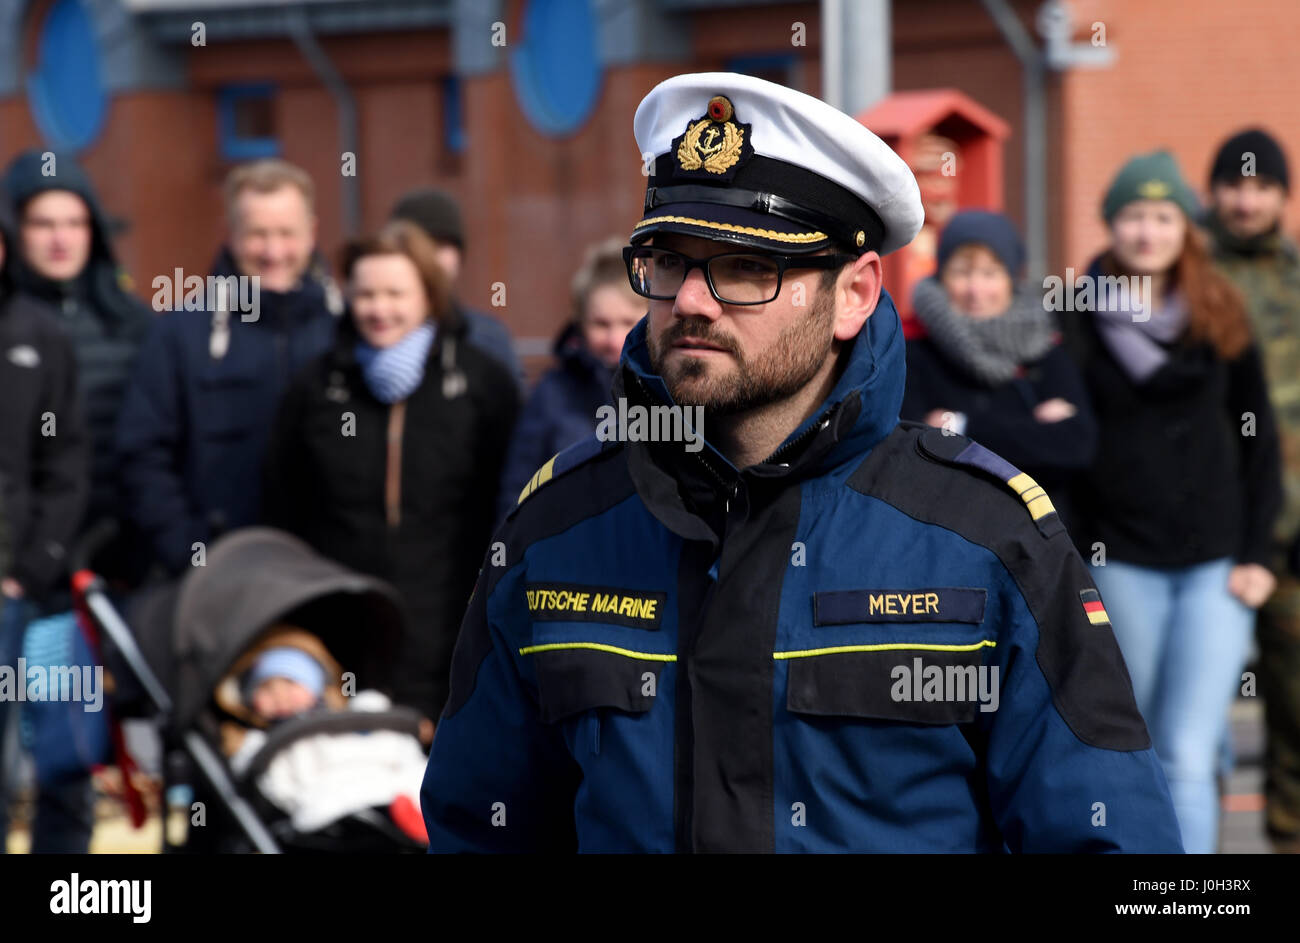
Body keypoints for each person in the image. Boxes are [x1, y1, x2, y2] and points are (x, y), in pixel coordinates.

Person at [420, 72, 1182, 853]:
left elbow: (1111, 836)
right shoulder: (558, 529)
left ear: (853, 295)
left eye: (746, 267)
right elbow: (479, 825)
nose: (691, 300)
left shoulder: (985, 537)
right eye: (670, 261)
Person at [1062, 150, 1282, 854]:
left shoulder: (1219, 307)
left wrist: (1258, 553)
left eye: (1163, 216)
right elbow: (1064, 444)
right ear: (1111, 223)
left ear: (1185, 226)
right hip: (1123, 561)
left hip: (1218, 565)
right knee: (1145, 734)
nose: (1148, 231)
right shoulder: (1080, 315)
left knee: (1189, 744)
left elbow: (1260, 439)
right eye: (1133, 215)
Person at [263, 220, 518, 728]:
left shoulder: (480, 383)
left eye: (395, 293)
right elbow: (281, 505)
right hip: (340, 633)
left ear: (429, 295)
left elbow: (508, 506)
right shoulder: (316, 388)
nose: (379, 309)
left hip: (453, 627)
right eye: (365, 294)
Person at [1, 151, 150, 853]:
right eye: (41, 222)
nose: (60, 237)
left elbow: (144, 446)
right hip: (21, 572)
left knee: (67, 760)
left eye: (75, 221)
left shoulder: (132, 325)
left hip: (90, 586)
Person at [116, 159, 343, 576]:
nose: (273, 252)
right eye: (257, 234)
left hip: (329, 574)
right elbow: (143, 456)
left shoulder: (347, 331)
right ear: (230, 233)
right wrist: (192, 555)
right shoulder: (180, 335)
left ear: (311, 231)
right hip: (220, 580)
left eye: (286, 234)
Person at [1206, 128, 1300, 853]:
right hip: (1211, 532)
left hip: (1292, 534)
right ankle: (1197, 870)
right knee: (1197, 718)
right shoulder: (1188, 272)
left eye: (1262, 186)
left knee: (1295, 706)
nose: (1247, 199)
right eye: (1236, 185)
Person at [903, 209, 1096, 534]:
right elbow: (912, 448)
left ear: (1012, 279)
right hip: (945, 534)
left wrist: (959, 425)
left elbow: (1077, 446)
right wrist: (1032, 430)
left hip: (1039, 540)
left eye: (991, 273)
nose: (975, 290)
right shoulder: (913, 348)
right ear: (941, 276)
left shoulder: (1043, 347)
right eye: (962, 273)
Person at [0, 186, 91, 853]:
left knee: (48, 764)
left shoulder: (37, 335)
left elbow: (65, 465)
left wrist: (25, 572)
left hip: (21, 593)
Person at [498, 236, 644, 518]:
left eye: (628, 322)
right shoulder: (553, 393)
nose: (614, 339)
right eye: (601, 324)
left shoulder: (673, 388)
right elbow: (518, 489)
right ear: (580, 322)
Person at [390, 188, 524, 391]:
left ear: (458, 256)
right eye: (419, 246)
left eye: (441, 246)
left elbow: (514, 413)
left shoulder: (486, 337)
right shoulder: (367, 331)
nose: (430, 259)